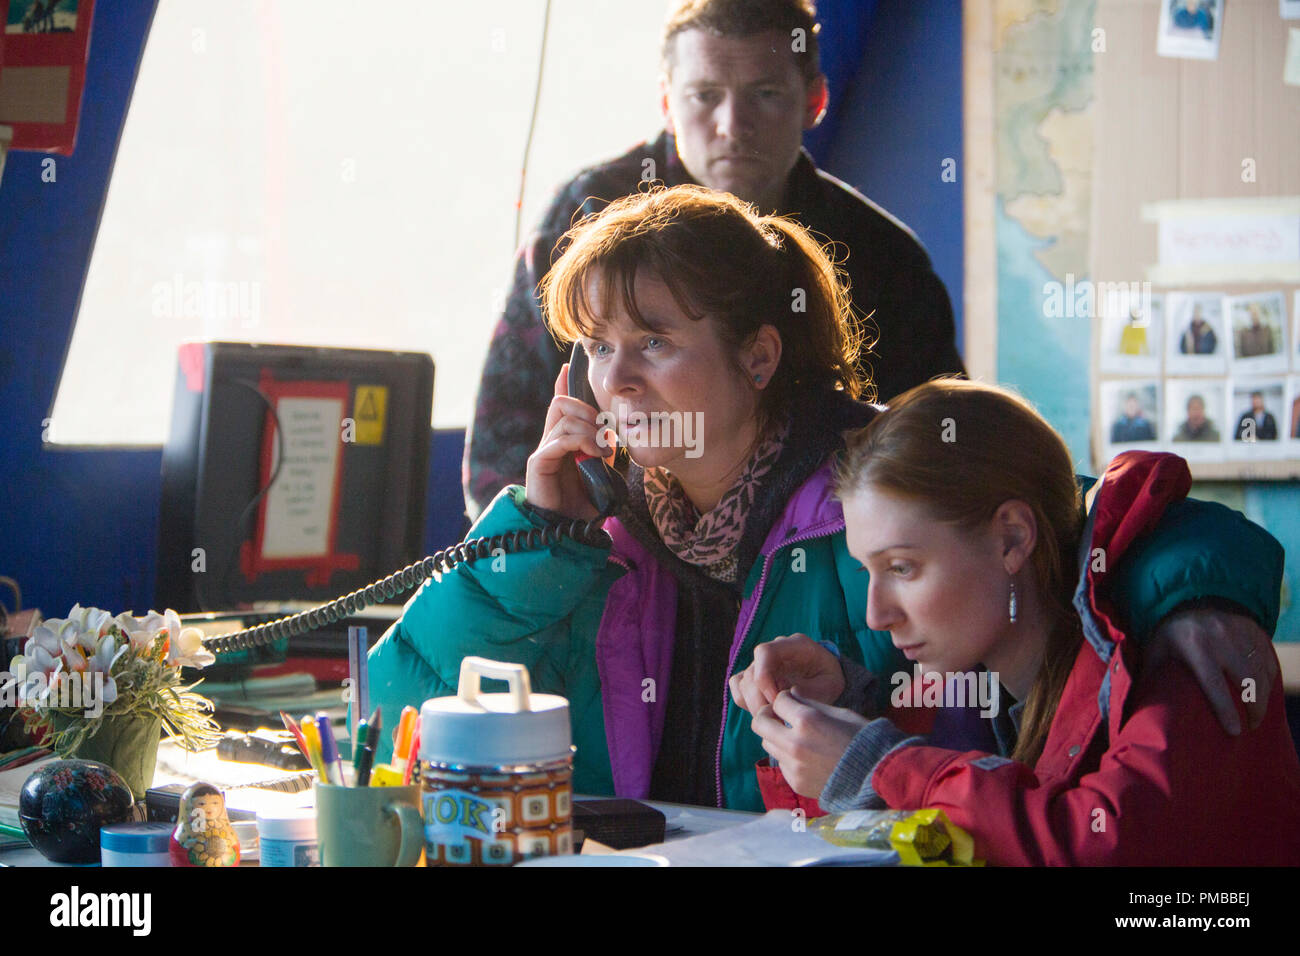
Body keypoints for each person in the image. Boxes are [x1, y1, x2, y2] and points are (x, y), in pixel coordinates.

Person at [369, 186, 1281, 813]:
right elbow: (394, 718)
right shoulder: (586, 529)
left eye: (653, 341)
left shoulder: (878, 475)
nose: (619, 381)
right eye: (599, 348)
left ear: (758, 358)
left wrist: (1188, 595)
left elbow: (1066, 519)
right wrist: (536, 537)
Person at [734, 380, 1298, 864]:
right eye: (867, 571)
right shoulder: (960, 681)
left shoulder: (1183, 658)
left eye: (902, 567)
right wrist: (840, 716)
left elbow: (1103, 851)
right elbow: (910, 824)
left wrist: (880, 766)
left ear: (1012, 538)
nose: (875, 615)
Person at [463, 0, 964, 518]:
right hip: (615, 553)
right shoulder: (588, 215)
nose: (732, 124)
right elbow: (501, 452)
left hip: (822, 548)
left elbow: (940, 452)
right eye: (704, 95)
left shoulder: (884, 256)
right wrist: (547, 544)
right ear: (666, 101)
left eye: (765, 94)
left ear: (815, 100)